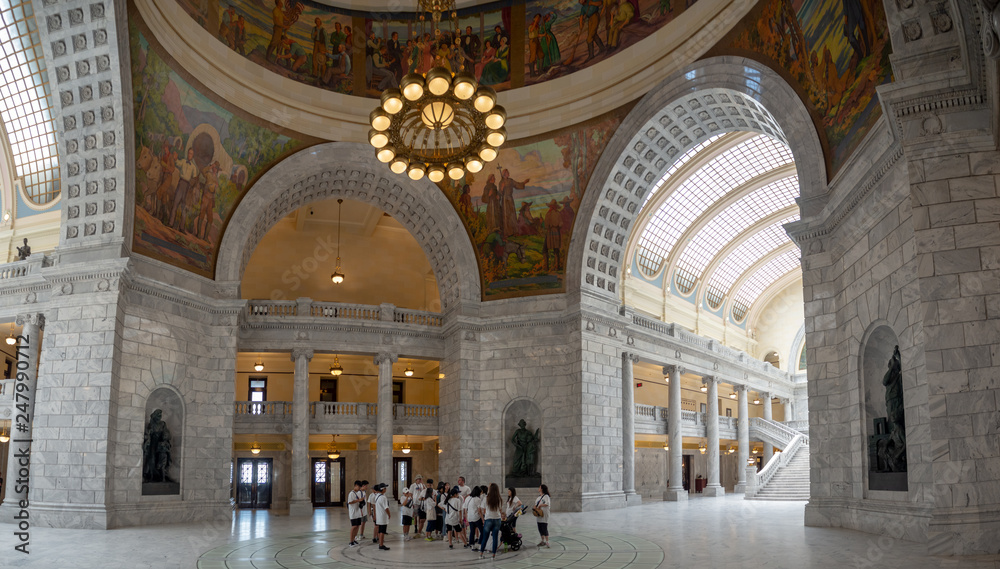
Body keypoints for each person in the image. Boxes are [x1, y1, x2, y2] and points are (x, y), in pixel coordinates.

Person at [170, 148, 198, 229]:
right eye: (189, 153)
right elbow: (177, 162)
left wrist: (192, 185)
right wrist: (175, 158)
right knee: (175, 204)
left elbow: (195, 178)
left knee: (183, 207)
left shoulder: (193, 167)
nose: (189, 155)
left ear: (193, 156)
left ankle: (181, 227)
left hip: (187, 187)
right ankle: (171, 223)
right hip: (181, 183)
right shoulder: (183, 161)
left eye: (191, 154)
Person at [479, 483, 503, 559]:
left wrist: (485, 518)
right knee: (495, 538)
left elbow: (484, 510)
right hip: (497, 519)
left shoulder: (486, 498)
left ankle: (481, 554)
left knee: (485, 537)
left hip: (488, 519)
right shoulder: (499, 499)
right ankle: (493, 555)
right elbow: (500, 510)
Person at [465, 486, 483, 550]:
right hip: (476, 517)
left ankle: (472, 546)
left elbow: (465, 509)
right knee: (482, 531)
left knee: (472, 532)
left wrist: (467, 519)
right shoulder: (477, 499)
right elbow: (479, 510)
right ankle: (480, 544)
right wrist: (483, 519)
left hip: (470, 517)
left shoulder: (467, 498)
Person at [347, 480, 365, 546]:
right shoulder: (351, 493)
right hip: (353, 513)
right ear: (355, 485)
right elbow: (349, 502)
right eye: (359, 487)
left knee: (357, 526)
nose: (359, 488)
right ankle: (351, 541)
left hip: (358, 512)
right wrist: (358, 500)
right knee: (354, 526)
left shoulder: (356, 493)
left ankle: (354, 539)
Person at [374, 483, 391, 550]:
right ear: (382, 489)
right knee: (382, 531)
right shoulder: (383, 497)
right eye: (385, 488)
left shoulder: (377, 496)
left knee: (380, 530)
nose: (386, 489)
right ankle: (381, 544)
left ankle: (380, 543)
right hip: (383, 516)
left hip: (379, 516)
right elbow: (386, 508)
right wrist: (389, 514)